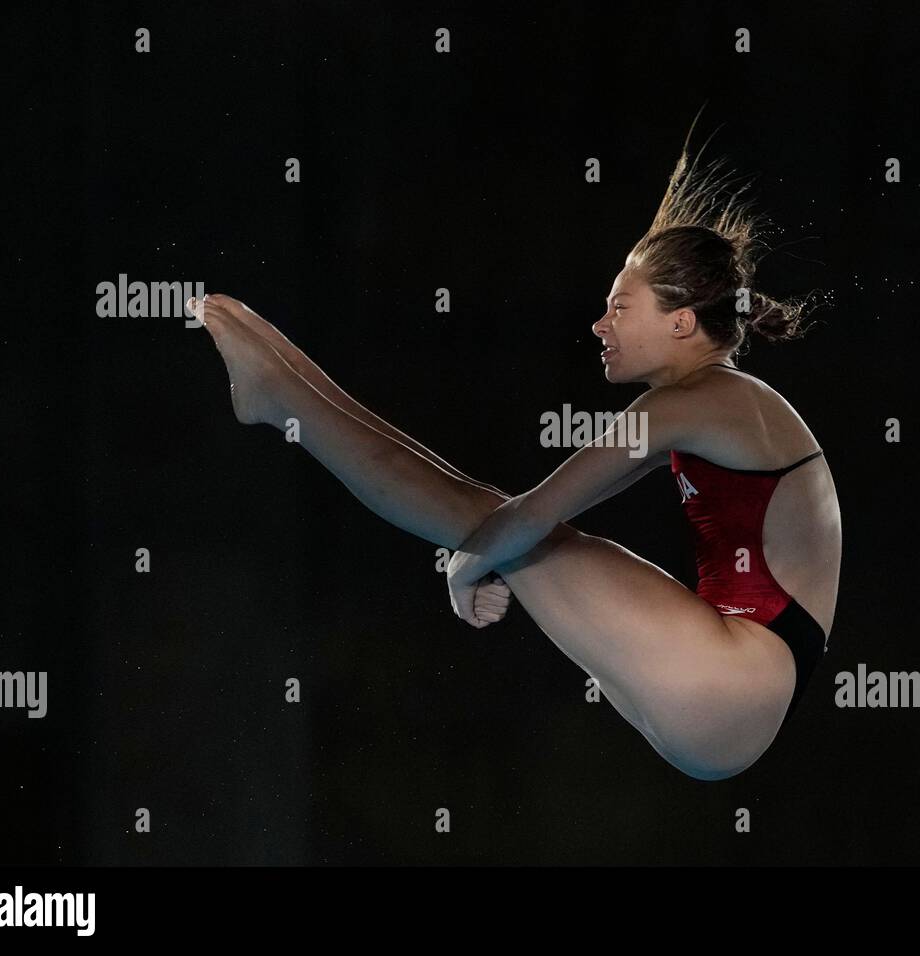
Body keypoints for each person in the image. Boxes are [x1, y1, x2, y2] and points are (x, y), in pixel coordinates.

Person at [188, 128, 841, 781]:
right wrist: (480, 552)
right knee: (487, 514)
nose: (599, 327)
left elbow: (530, 516)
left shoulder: (696, 401)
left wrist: (462, 571)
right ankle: (289, 382)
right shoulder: (723, 404)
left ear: (681, 321)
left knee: (488, 520)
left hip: (728, 680)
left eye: (620, 308)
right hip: (733, 695)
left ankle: (281, 394)